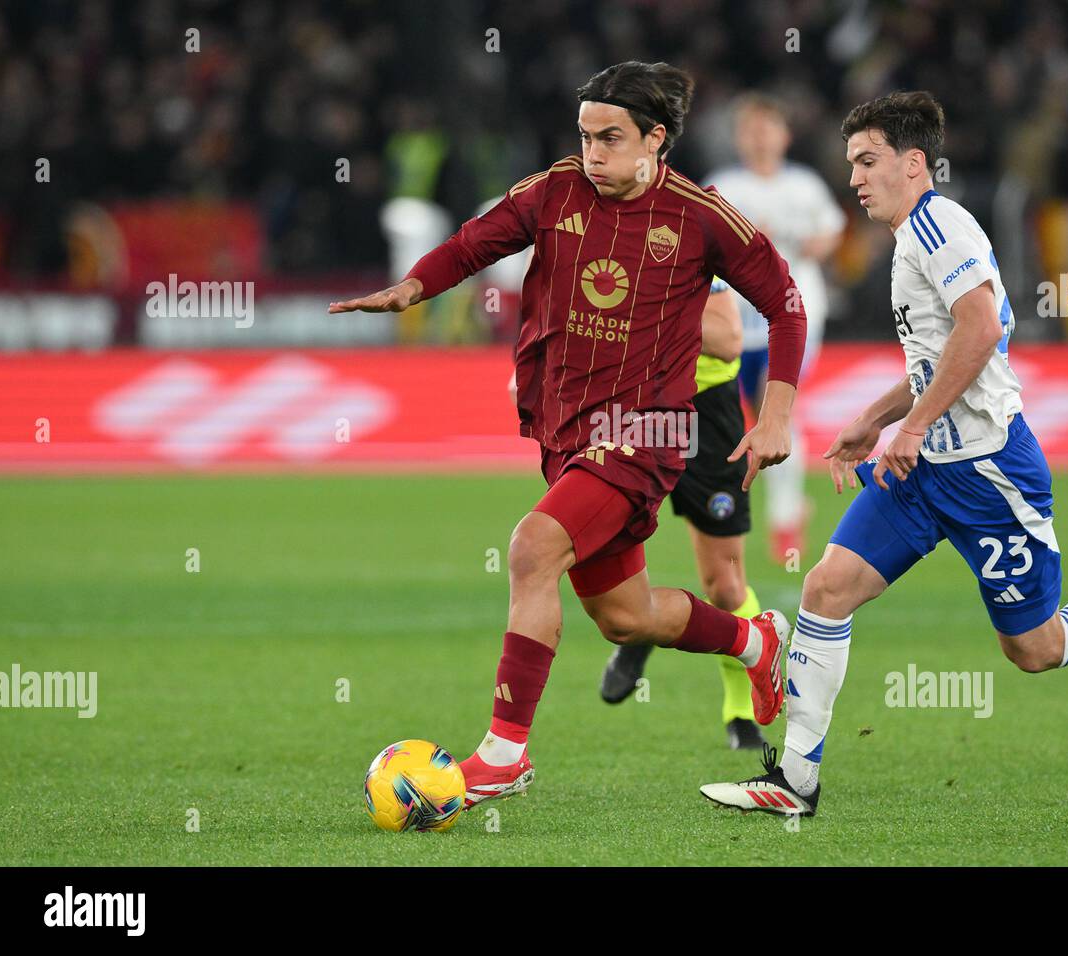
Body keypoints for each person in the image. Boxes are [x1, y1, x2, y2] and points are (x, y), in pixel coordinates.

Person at [699, 91, 1068, 816]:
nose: (853, 177)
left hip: (988, 473)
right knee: (826, 590)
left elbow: (982, 329)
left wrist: (911, 427)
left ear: (913, 163)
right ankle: (795, 780)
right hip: (922, 476)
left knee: (1035, 649)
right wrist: (876, 419)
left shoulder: (940, 225)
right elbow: (940, 352)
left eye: (868, 160)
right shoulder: (914, 236)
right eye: (851, 161)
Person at [330, 61, 807, 808]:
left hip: (646, 430)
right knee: (626, 619)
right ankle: (757, 641)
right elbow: (471, 244)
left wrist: (775, 411)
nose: (593, 154)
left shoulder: (701, 215)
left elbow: (785, 304)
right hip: (567, 431)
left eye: (610, 138)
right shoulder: (555, 191)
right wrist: (414, 286)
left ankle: (505, 754)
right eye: (585, 137)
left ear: (656, 138)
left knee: (532, 547)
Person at [599, 278, 767, 751]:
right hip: (633, 408)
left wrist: (647, 302)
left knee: (726, 587)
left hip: (705, 414)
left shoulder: (689, 227)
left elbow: (728, 341)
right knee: (593, 548)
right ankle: (639, 627)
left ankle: (740, 713)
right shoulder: (597, 232)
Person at [707, 94, 845, 561]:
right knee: (750, 415)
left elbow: (831, 232)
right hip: (735, 320)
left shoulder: (804, 186)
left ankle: (784, 520)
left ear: (784, 135)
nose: (760, 137)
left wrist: (803, 242)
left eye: (768, 128)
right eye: (751, 129)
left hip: (792, 312)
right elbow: (703, 241)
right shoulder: (722, 185)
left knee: (777, 407)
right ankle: (774, 508)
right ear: (739, 137)